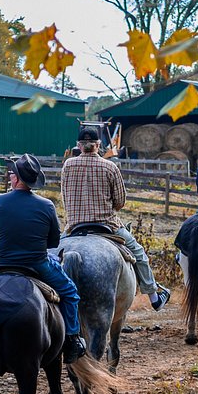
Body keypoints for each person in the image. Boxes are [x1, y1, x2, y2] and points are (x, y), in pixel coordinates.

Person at [0, 153, 87, 362]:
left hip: (0, 262)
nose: (10, 177)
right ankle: (72, 338)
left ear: (16, 179)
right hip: (37, 264)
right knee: (70, 293)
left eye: (11, 174)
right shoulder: (47, 205)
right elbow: (54, 242)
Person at [61, 125, 171, 310]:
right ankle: (154, 297)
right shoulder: (109, 166)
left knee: (52, 255)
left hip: (74, 226)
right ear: (98, 145)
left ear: (79, 146)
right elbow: (120, 201)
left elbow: (65, 197)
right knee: (139, 254)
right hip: (107, 226)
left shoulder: (68, 166)